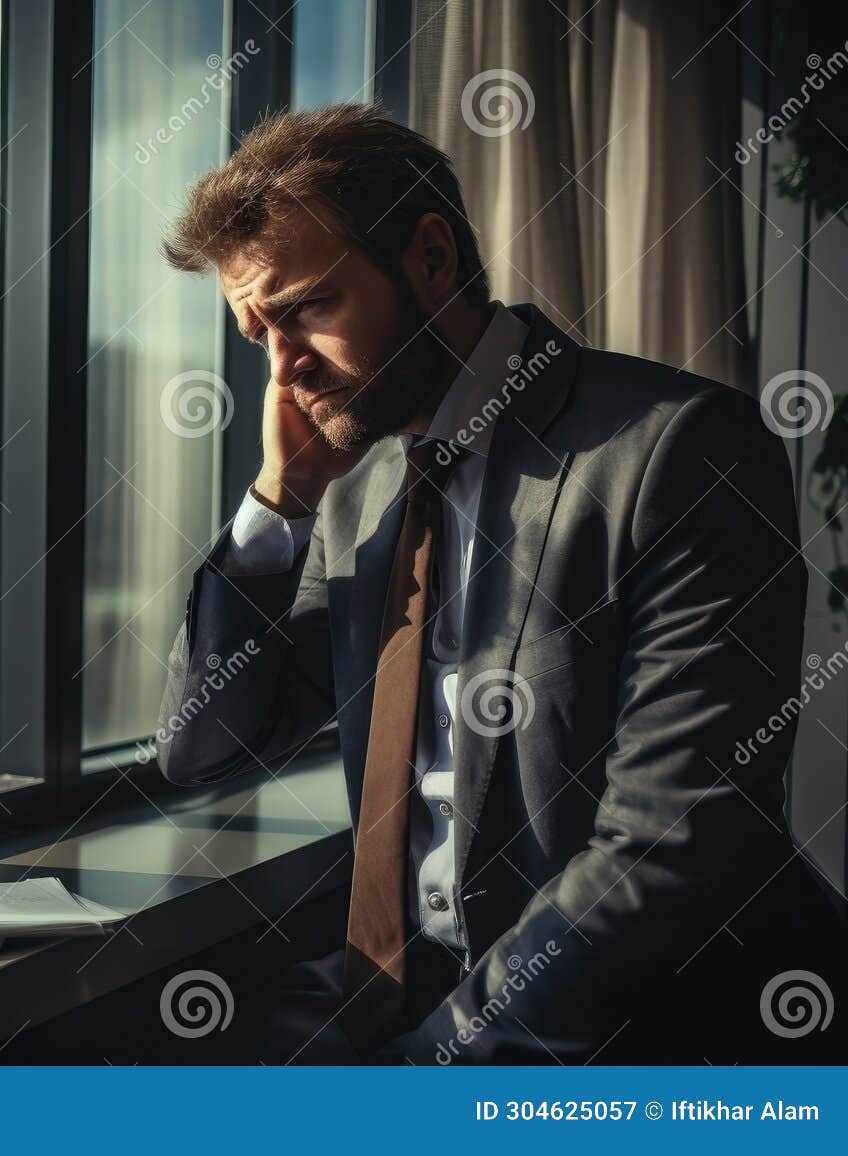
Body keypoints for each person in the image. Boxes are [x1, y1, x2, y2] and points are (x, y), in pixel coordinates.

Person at [155, 103, 844, 1063]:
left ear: (431, 257)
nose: (286, 371)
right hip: (392, 999)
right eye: (255, 331)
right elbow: (201, 751)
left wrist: (436, 1070)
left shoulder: (681, 449)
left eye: (308, 307)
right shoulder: (359, 491)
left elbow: (673, 843)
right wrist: (278, 501)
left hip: (638, 1036)